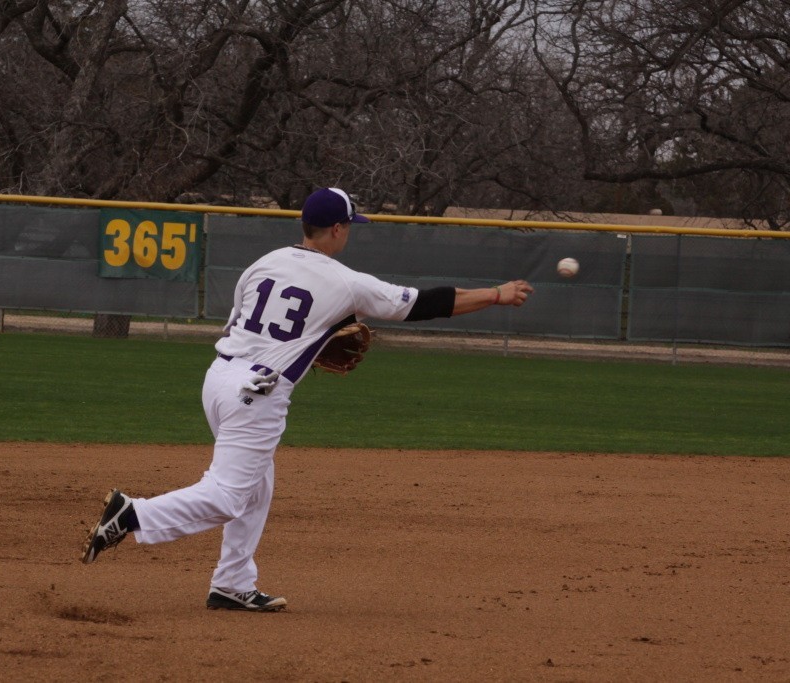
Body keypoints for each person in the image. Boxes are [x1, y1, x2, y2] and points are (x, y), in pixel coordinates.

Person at [81, 187, 533, 611]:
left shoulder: (264, 262)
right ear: (337, 229)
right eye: (350, 225)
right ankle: (133, 514)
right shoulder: (349, 282)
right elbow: (426, 303)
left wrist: (307, 345)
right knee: (228, 497)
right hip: (257, 393)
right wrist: (496, 295)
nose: (350, 231)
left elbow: (244, 323)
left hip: (218, 377)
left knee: (258, 485)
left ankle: (232, 583)